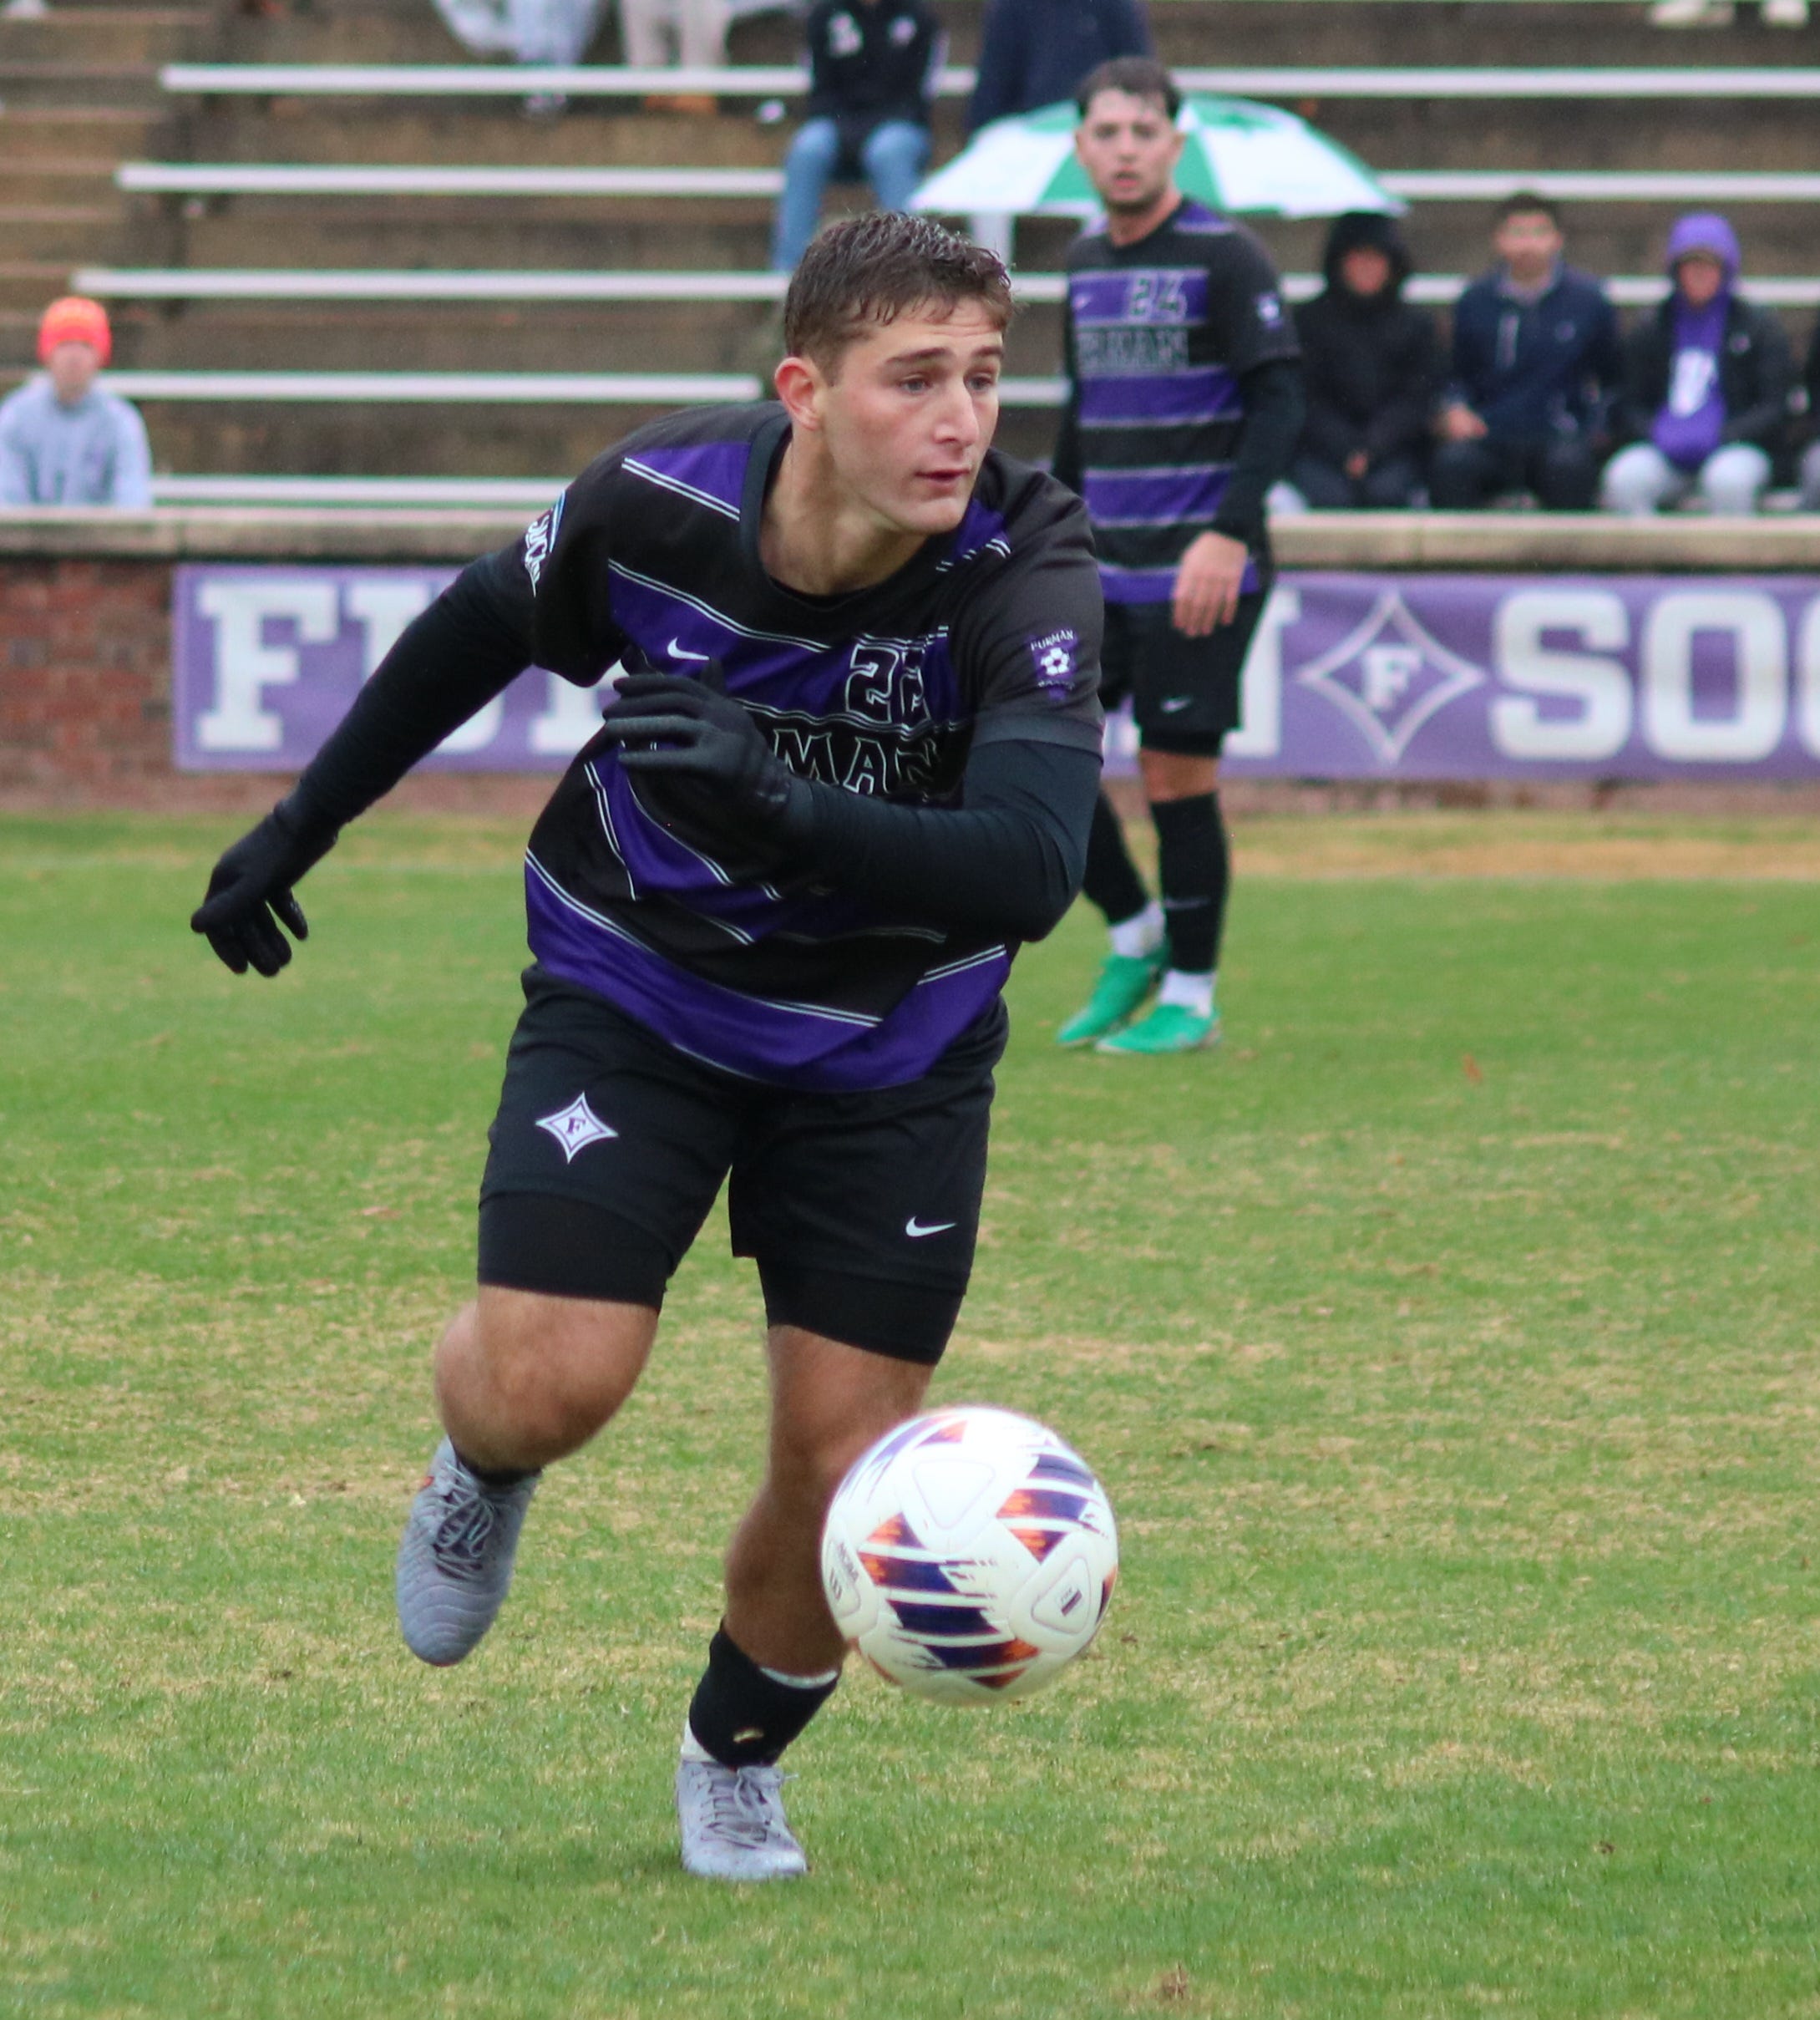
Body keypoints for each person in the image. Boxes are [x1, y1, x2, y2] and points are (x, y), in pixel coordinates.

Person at [188, 213, 1104, 1884]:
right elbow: (476, 625)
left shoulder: (1025, 562)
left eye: (983, 376)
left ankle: (731, 1763)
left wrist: (781, 798)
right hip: (640, 985)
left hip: (893, 1047)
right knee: (553, 1384)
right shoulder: (657, 503)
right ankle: (481, 1462)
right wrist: (300, 825)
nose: (962, 421)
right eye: (916, 382)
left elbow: (1036, 866)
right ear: (805, 390)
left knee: (846, 1479)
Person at [1050, 57, 1302, 1056]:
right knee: (1035, 760)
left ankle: (1191, 996)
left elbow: (1281, 398)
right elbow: (1084, 413)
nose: (1123, 149)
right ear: (1080, 149)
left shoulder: (1227, 256)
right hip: (1100, 569)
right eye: (1105, 133)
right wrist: (1046, 530)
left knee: (1172, 775)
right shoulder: (1077, 264)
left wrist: (1228, 533)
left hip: (1202, 572)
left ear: (1175, 143)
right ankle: (1136, 932)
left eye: (1141, 132)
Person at [1430, 192, 1621, 512]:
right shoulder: (1474, 301)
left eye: (1539, 232)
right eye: (1517, 233)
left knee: (1570, 468)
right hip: (1490, 433)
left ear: (1558, 239)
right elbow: (1455, 374)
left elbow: (1613, 378)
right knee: (1453, 465)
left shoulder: (1589, 301)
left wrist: (1592, 429)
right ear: (1498, 240)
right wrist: (1456, 409)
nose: (1528, 244)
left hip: (1559, 436)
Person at [1601, 213, 1792, 518]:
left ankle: (1730, 563)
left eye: (1710, 264)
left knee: (1728, 481)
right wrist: (1659, 433)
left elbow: (1774, 405)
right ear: (1675, 270)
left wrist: (1725, 435)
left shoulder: (1758, 327)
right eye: (1691, 264)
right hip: (1664, 448)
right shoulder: (1651, 327)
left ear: (1726, 269)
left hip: (1734, 445)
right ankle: (1642, 563)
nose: (1700, 274)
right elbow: (1629, 402)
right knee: (1627, 478)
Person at [965, 0, 1152, 261]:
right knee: (985, 167)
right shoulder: (1010, 8)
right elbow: (991, 89)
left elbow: (1140, 78)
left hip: (1094, 128)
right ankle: (992, 279)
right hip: (1026, 130)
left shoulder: (1115, 6)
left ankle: (1103, 271)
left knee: (1108, 174)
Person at [1280, 210, 1438, 511]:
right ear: (1339, 261)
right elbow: (1305, 396)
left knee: (1388, 493)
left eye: (1376, 258)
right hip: (1322, 452)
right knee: (1329, 497)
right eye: (1357, 257)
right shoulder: (1309, 321)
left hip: (1395, 451)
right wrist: (1345, 449)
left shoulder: (1416, 324)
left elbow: (1417, 397)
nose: (1367, 267)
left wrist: (1373, 447)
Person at [769, 0, 940, 273]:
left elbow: (918, 97)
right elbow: (819, 90)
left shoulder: (919, 17)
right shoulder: (825, 16)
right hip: (836, 121)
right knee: (807, 149)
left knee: (889, 151)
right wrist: (848, 128)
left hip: (898, 124)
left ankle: (908, 272)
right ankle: (788, 275)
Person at [0, 297, 152, 510]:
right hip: (27, 542)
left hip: (105, 542)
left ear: (101, 355)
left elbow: (132, 504)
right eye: (64, 344)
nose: (74, 356)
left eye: (85, 345)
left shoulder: (121, 421)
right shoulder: (15, 417)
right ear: (46, 352)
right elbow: (8, 503)